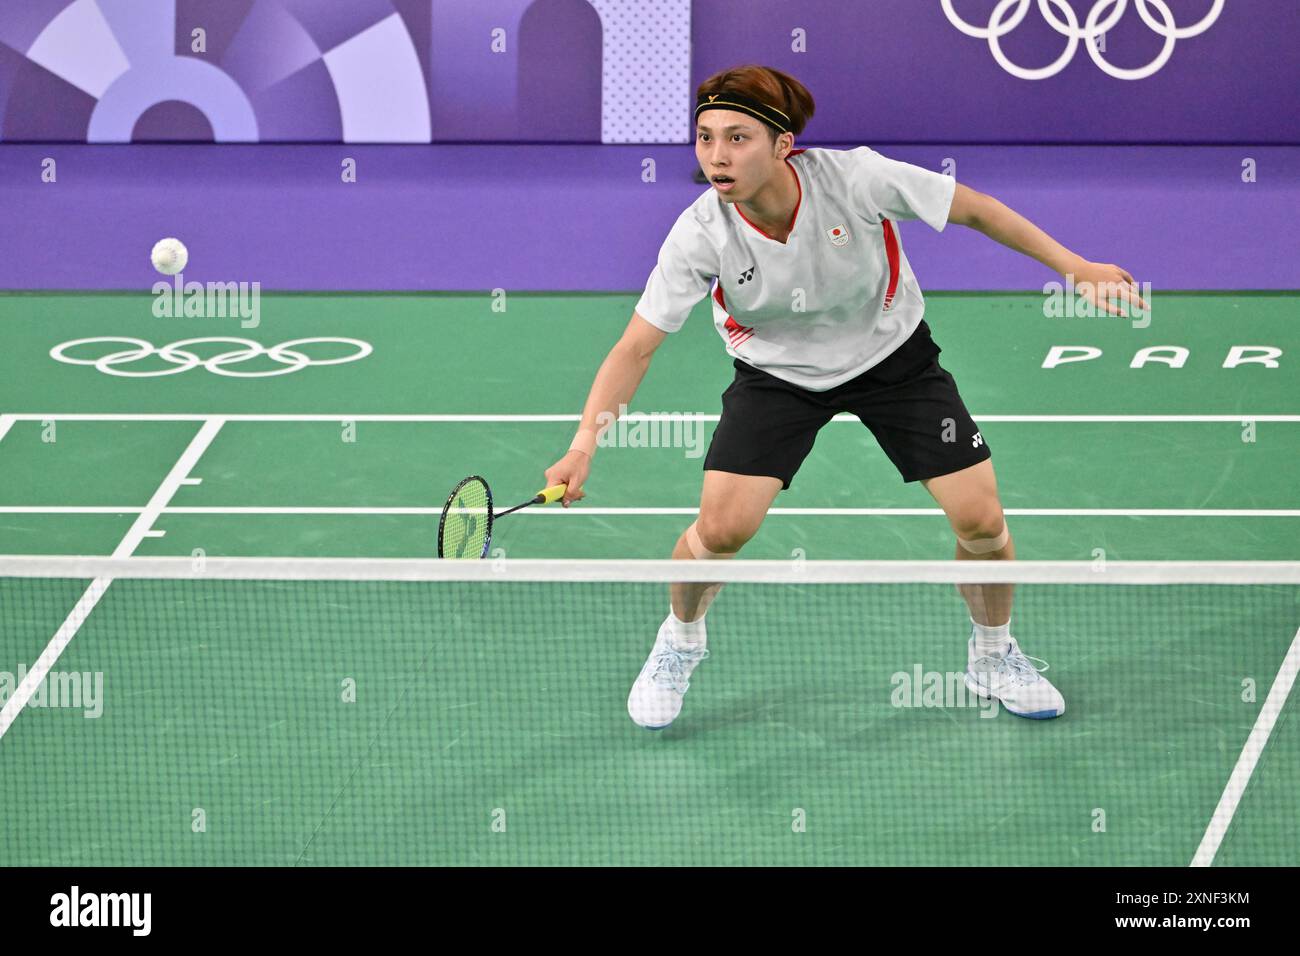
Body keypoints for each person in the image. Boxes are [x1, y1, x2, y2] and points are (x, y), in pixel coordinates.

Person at [543, 65, 1145, 729]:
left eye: (738, 137)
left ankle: (994, 654)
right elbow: (635, 347)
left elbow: (973, 208)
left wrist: (1075, 267)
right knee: (720, 530)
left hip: (893, 360)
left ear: (782, 146)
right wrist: (582, 446)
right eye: (705, 137)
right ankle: (679, 643)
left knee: (982, 523)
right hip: (776, 377)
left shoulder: (855, 178)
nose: (717, 155)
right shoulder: (701, 231)